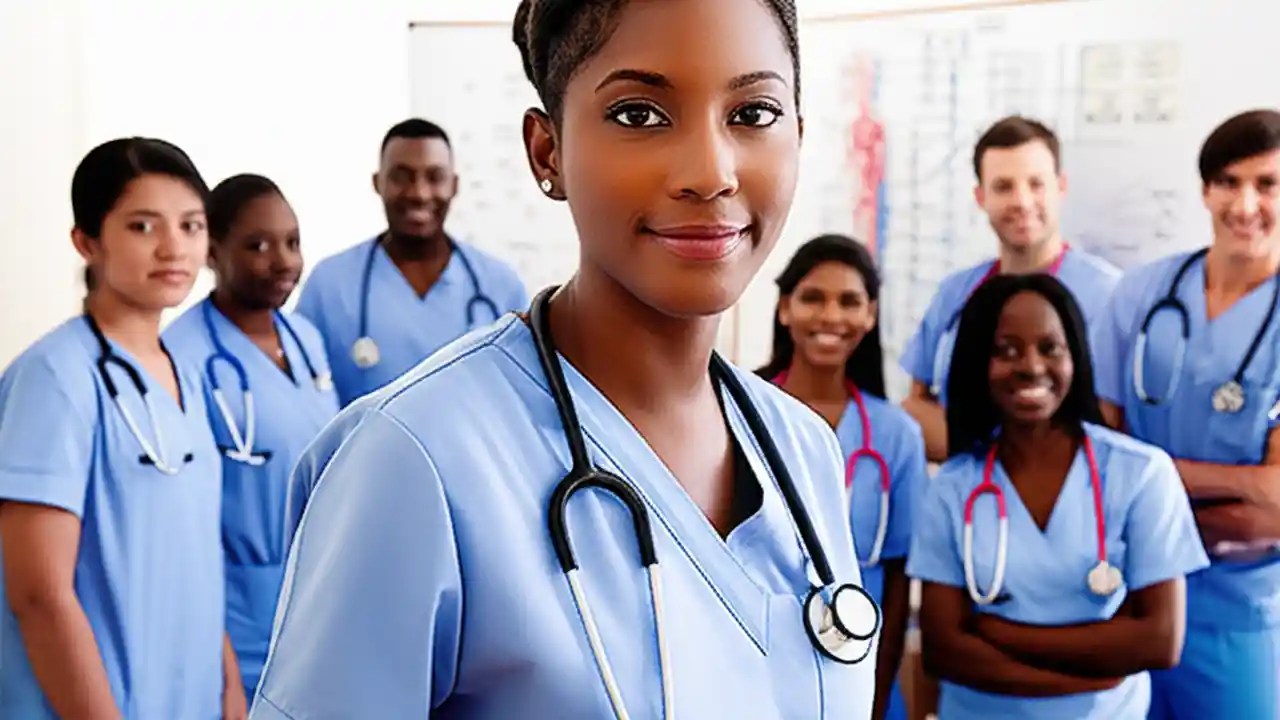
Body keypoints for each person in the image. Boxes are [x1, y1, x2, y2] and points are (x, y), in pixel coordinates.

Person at [249, 0, 880, 718]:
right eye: (639, 114)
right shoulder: (416, 460)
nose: (711, 173)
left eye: (754, 113)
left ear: (799, 132)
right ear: (548, 152)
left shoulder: (805, 456)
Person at [0, 138, 241, 718]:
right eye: (142, 226)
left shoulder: (182, 369)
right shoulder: (55, 379)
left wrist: (229, 690)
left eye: (191, 225)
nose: (173, 247)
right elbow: (38, 594)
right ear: (87, 241)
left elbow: (197, 558)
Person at [908, 273, 1209, 719]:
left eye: (1050, 348)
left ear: (1075, 357)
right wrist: (1089, 676)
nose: (1031, 366)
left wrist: (999, 633)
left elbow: (1160, 640)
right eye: (1005, 350)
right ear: (977, 362)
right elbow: (944, 649)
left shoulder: (1141, 474)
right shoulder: (954, 487)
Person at [1091, 109, 1280, 719]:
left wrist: (1152, 480)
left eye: (1267, 184)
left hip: (1238, 613)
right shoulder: (1141, 294)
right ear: (1204, 190)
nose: (1245, 204)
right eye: (1228, 182)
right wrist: (1236, 492)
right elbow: (1097, 448)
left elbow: (1274, 500)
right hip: (1124, 594)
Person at [163, 173, 340, 703]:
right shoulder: (182, 355)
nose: (283, 260)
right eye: (258, 246)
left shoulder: (305, 339)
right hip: (233, 609)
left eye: (292, 242)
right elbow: (181, 515)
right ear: (213, 251)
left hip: (317, 590)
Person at [759, 234, 927, 720]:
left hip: (859, 666)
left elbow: (898, 580)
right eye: (813, 298)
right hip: (759, 660)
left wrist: (875, 694)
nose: (832, 316)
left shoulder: (896, 435)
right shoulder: (737, 407)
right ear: (785, 308)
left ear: (870, 315)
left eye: (849, 301)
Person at [901, 115, 1122, 462]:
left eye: (1035, 184)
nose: (1021, 201)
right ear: (980, 197)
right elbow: (913, 407)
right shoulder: (955, 293)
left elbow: (1109, 421)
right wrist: (1003, 460)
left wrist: (978, 451)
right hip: (967, 499)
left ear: (1061, 187)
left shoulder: (1109, 295)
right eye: (1003, 187)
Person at [294, 118, 530, 407]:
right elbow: (304, 398)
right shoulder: (330, 284)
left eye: (434, 177)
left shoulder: (499, 285)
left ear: (454, 185)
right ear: (377, 183)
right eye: (401, 176)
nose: (419, 193)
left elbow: (524, 395)